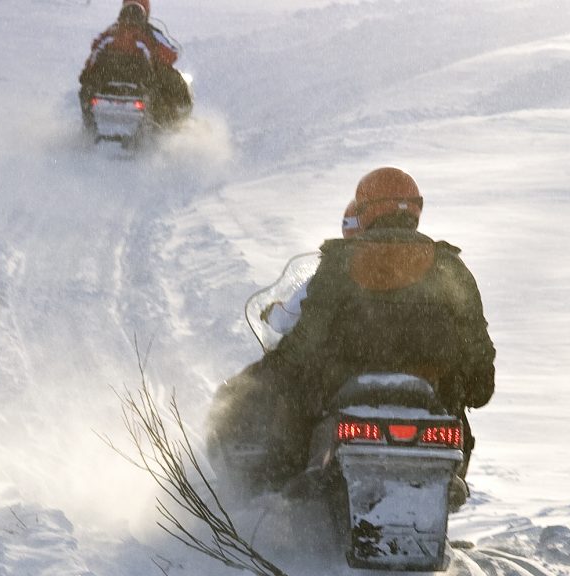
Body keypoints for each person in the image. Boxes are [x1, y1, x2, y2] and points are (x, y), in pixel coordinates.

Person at [208, 167, 496, 509]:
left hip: (343, 392)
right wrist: (477, 385)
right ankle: (448, 479)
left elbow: (308, 335)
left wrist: (277, 369)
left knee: (273, 406)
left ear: (365, 209)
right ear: (416, 208)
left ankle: (273, 497)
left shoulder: (340, 262)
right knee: (456, 415)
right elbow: (477, 345)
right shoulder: (450, 266)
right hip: (429, 397)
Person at [78, 0, 192, 130]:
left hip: (107, 83)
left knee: (85, 91)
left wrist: (87, 75)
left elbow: (95, 51)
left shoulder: (110, 33)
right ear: (144, 14)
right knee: (168, 87)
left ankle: (90, 126)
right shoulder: (148, 34)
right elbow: (168, 55)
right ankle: (169, 122)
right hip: (139, 83)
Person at [262, 199, 361, 335]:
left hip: (346, 352)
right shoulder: (399, 266)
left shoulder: (334, 271)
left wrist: (271, 313)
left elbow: (285, 322)